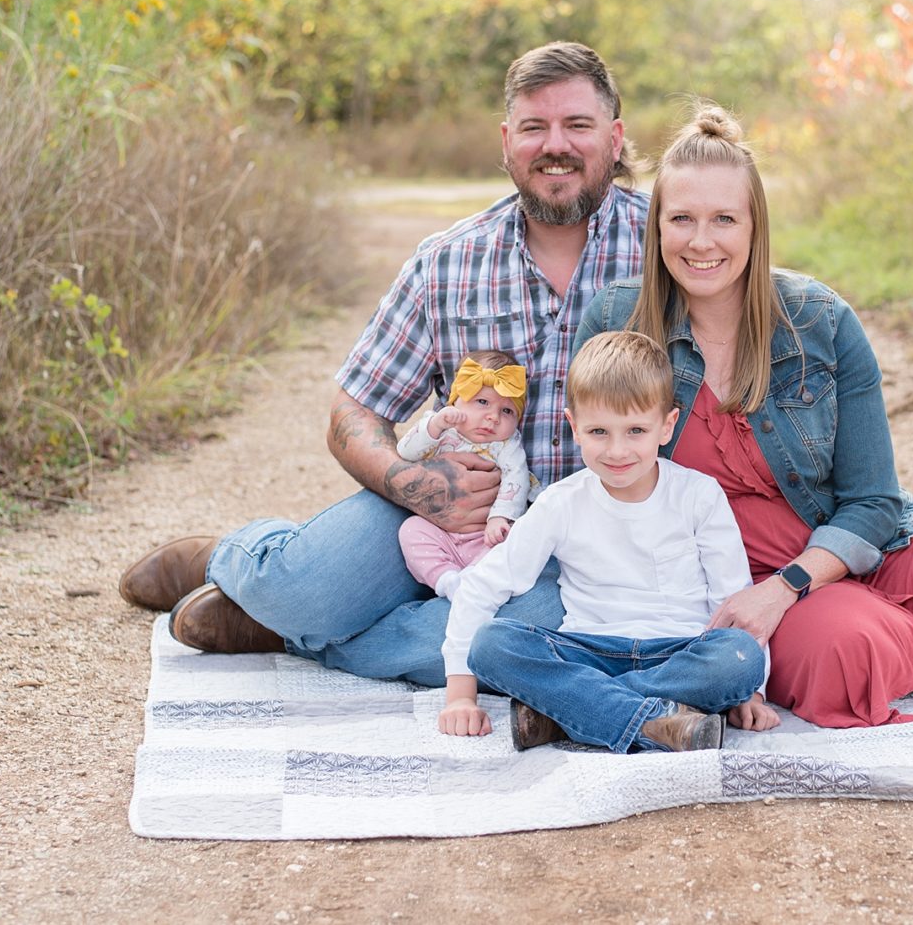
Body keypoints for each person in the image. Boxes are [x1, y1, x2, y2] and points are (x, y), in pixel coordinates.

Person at [116, 42, 649, 685]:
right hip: (436, 515)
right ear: (507, 142)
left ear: (614, 139)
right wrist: (413, 484)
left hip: (583, 541)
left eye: (577, 126)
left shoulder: (666, 253)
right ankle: (233, 566)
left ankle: (287, 633)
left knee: (498, 643)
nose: (554, 145)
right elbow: (354, 410)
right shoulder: (449, 262)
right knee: (302, 587)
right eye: (535, 127)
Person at [572, 103, 913, 729]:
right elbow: (602, 482)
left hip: (857, 545)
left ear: (755, 227)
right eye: (682, 219)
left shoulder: (820, 322)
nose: (701, 241)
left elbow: (873, 501)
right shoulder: (618, 323)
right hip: (741, 575)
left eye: (724, 219)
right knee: (846, 661)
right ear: (654, 227)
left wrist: (788, 587)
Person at [437, 331, 772, 753]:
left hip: (680, 652)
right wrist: (460, 696)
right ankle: (654, 722)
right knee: (494, 644)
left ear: (666, 425)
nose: (617, 451)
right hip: (587, 650)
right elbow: (485, 583)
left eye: (635, 430)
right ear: (574, 426)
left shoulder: (698, 494)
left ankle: (565, 712)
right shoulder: (561, 502)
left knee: (739, 656)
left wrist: (753, 694)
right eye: (599, 431)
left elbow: (735, 597)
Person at [397, 349, 533, 599]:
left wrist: (499, 518)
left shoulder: (507, 445)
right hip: (437, 528)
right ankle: (445, 579)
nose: (493, 417)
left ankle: (475, 580)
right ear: (456, 400)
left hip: (484, 536)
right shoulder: (441, 429)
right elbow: (405, 452)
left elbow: (517, 479)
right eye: (482, 402)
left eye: (507, 411)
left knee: (511, 543)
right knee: (411, 529)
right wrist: (435, 425)